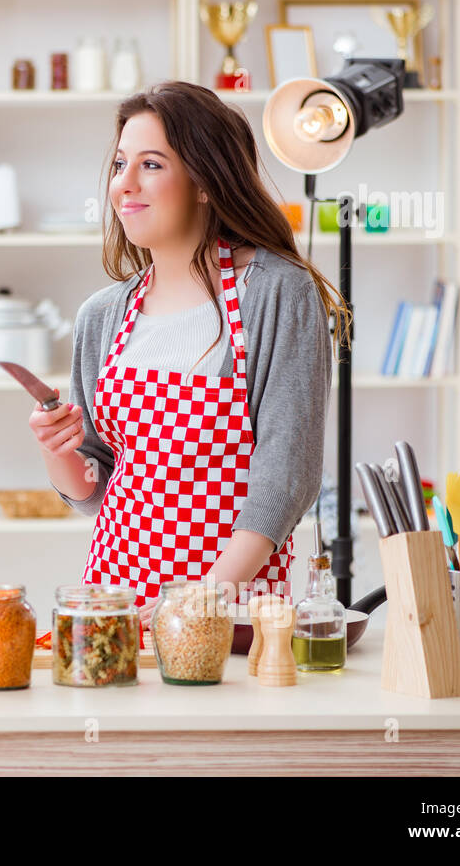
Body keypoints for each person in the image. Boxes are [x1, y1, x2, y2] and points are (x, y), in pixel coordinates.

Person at [29, 81, 345, 626]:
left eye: (150, 165)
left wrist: (199, 600)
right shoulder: (102, 315)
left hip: (230, 610)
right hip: (117, 606)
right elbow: (97, 488)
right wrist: (57, 452)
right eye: (119, 164)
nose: (123, 185)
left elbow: (287, 479)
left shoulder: (276, 291)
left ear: (204, 181)